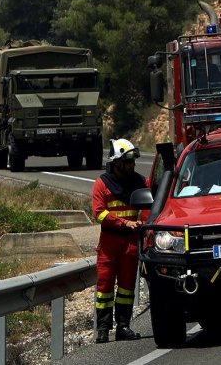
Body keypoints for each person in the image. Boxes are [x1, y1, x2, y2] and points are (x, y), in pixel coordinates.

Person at [91, 138, 147, 343]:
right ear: (117, 162)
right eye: (129, 160)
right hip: (109, 243)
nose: (133, 164)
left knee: (126, 287)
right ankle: (103, 330)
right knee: (104, 287)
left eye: (133, 160)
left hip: (130, 243)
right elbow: (98, 213)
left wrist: (142, 222)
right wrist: (124, 223)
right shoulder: (101, 184)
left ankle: (123, 326)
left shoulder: (140, 182)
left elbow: (151, 203)